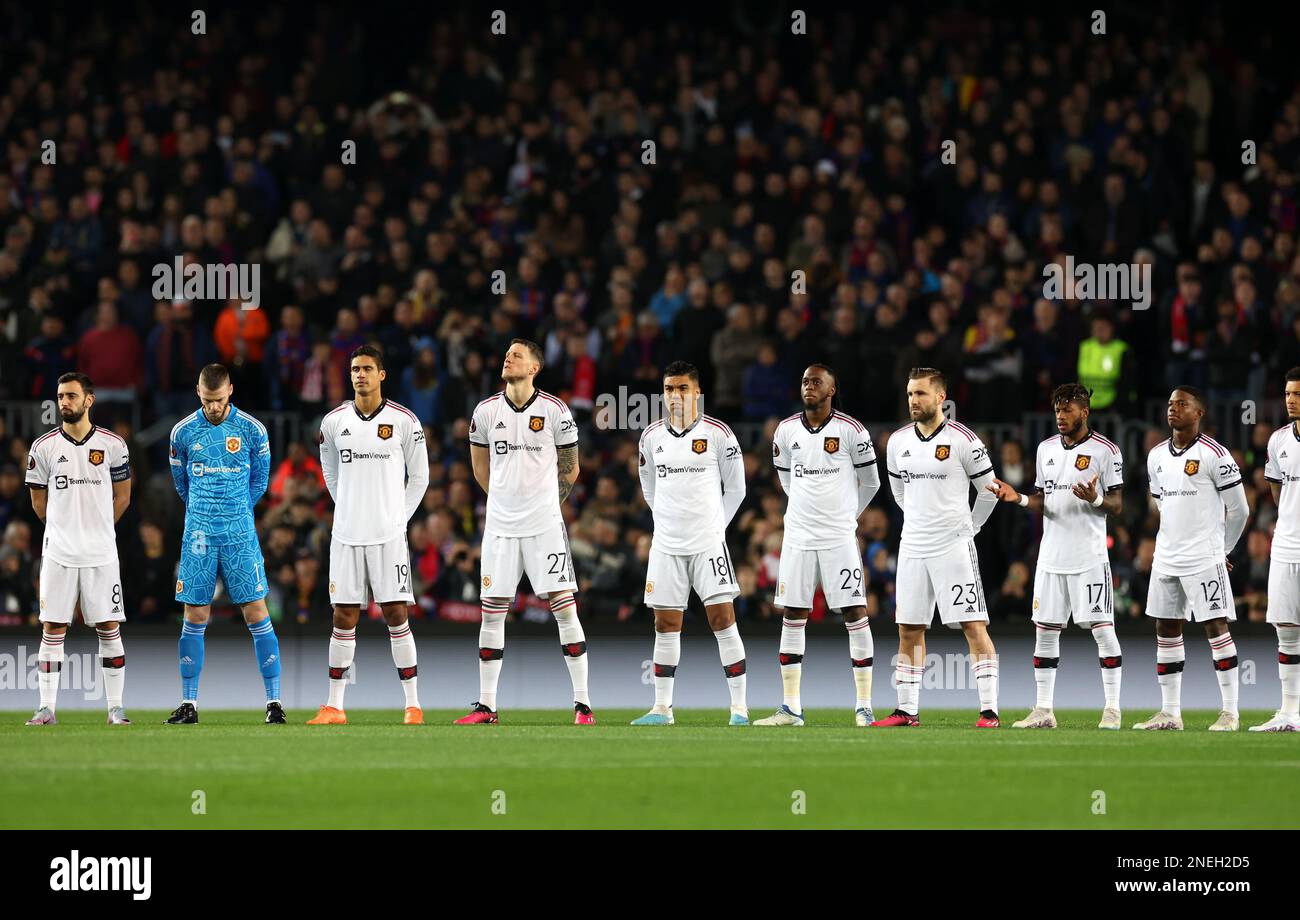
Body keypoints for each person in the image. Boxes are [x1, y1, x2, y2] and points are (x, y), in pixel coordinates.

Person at [458, 338, 592, 725]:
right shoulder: (484, 412)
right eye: (506, 354)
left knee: (564, 609)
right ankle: (487, 706)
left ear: (534, 367)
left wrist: (543, 505)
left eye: (517, 355)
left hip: (544, 526)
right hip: (500, 528)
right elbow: (480, 469)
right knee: (491, 613)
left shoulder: (555, 410)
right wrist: (506, 502)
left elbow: (571, 469)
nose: (507, 358)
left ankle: (582, 704)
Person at [986, 383, 1126, 729]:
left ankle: (1112, 709)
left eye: (1068, 410)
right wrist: (1017, 497)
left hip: (1089, 557)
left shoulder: (1106, 451)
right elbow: (1041, 499)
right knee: (1045, 632)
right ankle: (1044, 710)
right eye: (1058, 411)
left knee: (1102, 630)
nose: (1062, 416)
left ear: (1085, 412)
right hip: (1051, 557)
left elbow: (1118, 505)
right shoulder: (1045, 449)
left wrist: (1095, 498)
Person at [307, 344, 431, 725]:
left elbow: (421, 477)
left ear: (382, 375)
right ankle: (334, 706)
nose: (359, 375)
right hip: (346, 535)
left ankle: (412, 705)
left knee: (396, 613)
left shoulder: (405, 421)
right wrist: (347, 504)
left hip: (388, 536)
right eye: (354, 369)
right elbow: (329, 473)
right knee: (343, 617)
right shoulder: (333, 422)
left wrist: (399, 518)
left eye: (367, 369)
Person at [755, 364, 880, 727]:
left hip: (838, 537)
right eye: (805, 381)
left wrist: (845, 514)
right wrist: (806, 512)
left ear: (831, 390)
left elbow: (870, 483)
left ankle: (863, 705)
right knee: (793, 614)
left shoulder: (852, 431)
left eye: (817, 382)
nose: (809, 386)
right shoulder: (785, 430)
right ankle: (790, 708)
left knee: (855, 613)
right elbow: (785, 477)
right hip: (797, 536)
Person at [878, 367, 1002, 727]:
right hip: (913, 546)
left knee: (972, 625)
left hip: (953, 546)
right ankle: (906, 710)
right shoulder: (898, 442)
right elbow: (899, 492)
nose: (913, 401)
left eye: (920, 394)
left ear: (940, 399)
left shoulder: (965, 440)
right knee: (909, 628)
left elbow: (990, 491)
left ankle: (989, 711)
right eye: (910, 394)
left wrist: (970, 527)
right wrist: (920, 521)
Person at [632, 361, 749, 726]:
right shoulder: (651, 437)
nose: (675, 395)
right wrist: (667, 522)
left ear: (697, 392)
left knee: (722, 619)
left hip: (708, 544)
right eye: (669, 389)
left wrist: (716, 528)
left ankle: (739, 709)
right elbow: (649, 487)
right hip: (666, 546)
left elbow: (737, 489)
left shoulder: (719, 434)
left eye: (682, 388)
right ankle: (662, 709)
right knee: (665, 623)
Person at [166, 364, 283, 725]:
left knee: (256, 612)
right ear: (197, 392)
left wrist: (234, 512)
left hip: (239, 534)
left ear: (230, 390)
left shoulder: (252, 430)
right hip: (198, 534)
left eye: (218, 400)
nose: (213, 407)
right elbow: (181, 484)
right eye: (206, 400)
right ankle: (189, 704)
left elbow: (260, 483)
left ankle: (274, 703)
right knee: (195, 614)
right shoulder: (182, 432)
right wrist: (205, 511)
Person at [1135, 386, 1248, 731]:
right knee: (1166, 628)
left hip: (1204, 558)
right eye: (1170, 404)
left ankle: (1230, 713)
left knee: (1216, 627)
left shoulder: (1216, 454)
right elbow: (1160, 502)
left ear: (1198, 413)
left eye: (1181, 404)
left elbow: (1240, 510)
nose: (1173, 409)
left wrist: (1222, 549)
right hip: (1166, 557)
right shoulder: (1155, 456)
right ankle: (1170, 713)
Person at [23, 373, 132, 726]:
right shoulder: (43, 448)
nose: (63, 402)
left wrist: (98, 528)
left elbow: (124, 496)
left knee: (109, 626)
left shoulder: (114, 445)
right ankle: (46, 708)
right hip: (59, 553)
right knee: (53, 627)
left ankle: (115, 708)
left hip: (101, 552)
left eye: (71, 395)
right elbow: (39, 504)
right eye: (60, 396)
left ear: (89, 400)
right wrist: (64, 529)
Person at [1252, 367, 1300, 731]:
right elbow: (1277, 492)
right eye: (1287, 394)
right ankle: (1288, 712)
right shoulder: (1278, 440)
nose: (1290, 400)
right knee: (1286, 627)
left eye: (1297, 394)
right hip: (1285, 546)